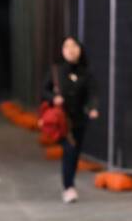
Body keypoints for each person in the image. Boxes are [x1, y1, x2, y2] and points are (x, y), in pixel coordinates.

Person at [42, 36, 100, 204]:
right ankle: (68, 187)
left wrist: (92, 108)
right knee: (69, 150)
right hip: (62, 120)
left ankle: (70, 184)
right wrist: (54, 98)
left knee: (74, 154)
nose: (71, 50)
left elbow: (93, 94)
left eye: (74, 46)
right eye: (67, 46)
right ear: (62, 50)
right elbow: (43, 91)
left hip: (80, 119)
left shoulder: (86, 73)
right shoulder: (56, 70)